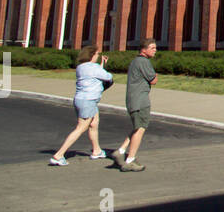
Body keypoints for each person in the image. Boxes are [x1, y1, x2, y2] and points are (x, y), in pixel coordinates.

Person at [50, 45, 114, 166]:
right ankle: (59, 155)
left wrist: (102, 64)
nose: (97, 56)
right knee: (81, 127)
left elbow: (96, 73)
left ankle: (97, 151)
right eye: (97, 54)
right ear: (92, 55)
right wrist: (103, 67)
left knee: (94, 123)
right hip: (89, 101)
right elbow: (108, 76)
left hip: (81, 99)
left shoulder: (81, 67)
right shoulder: (93, 68)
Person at [111, 39, 157, 172]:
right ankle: (130, 160)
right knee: (140, 128)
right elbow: (153, 80)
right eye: (152, 48)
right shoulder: (144, 62)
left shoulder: (136, 61)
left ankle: (121, 151)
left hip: (134, 99)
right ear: (144, 49)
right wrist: (155, 76)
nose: (155, 50)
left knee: (137, 126)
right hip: (140, 101)